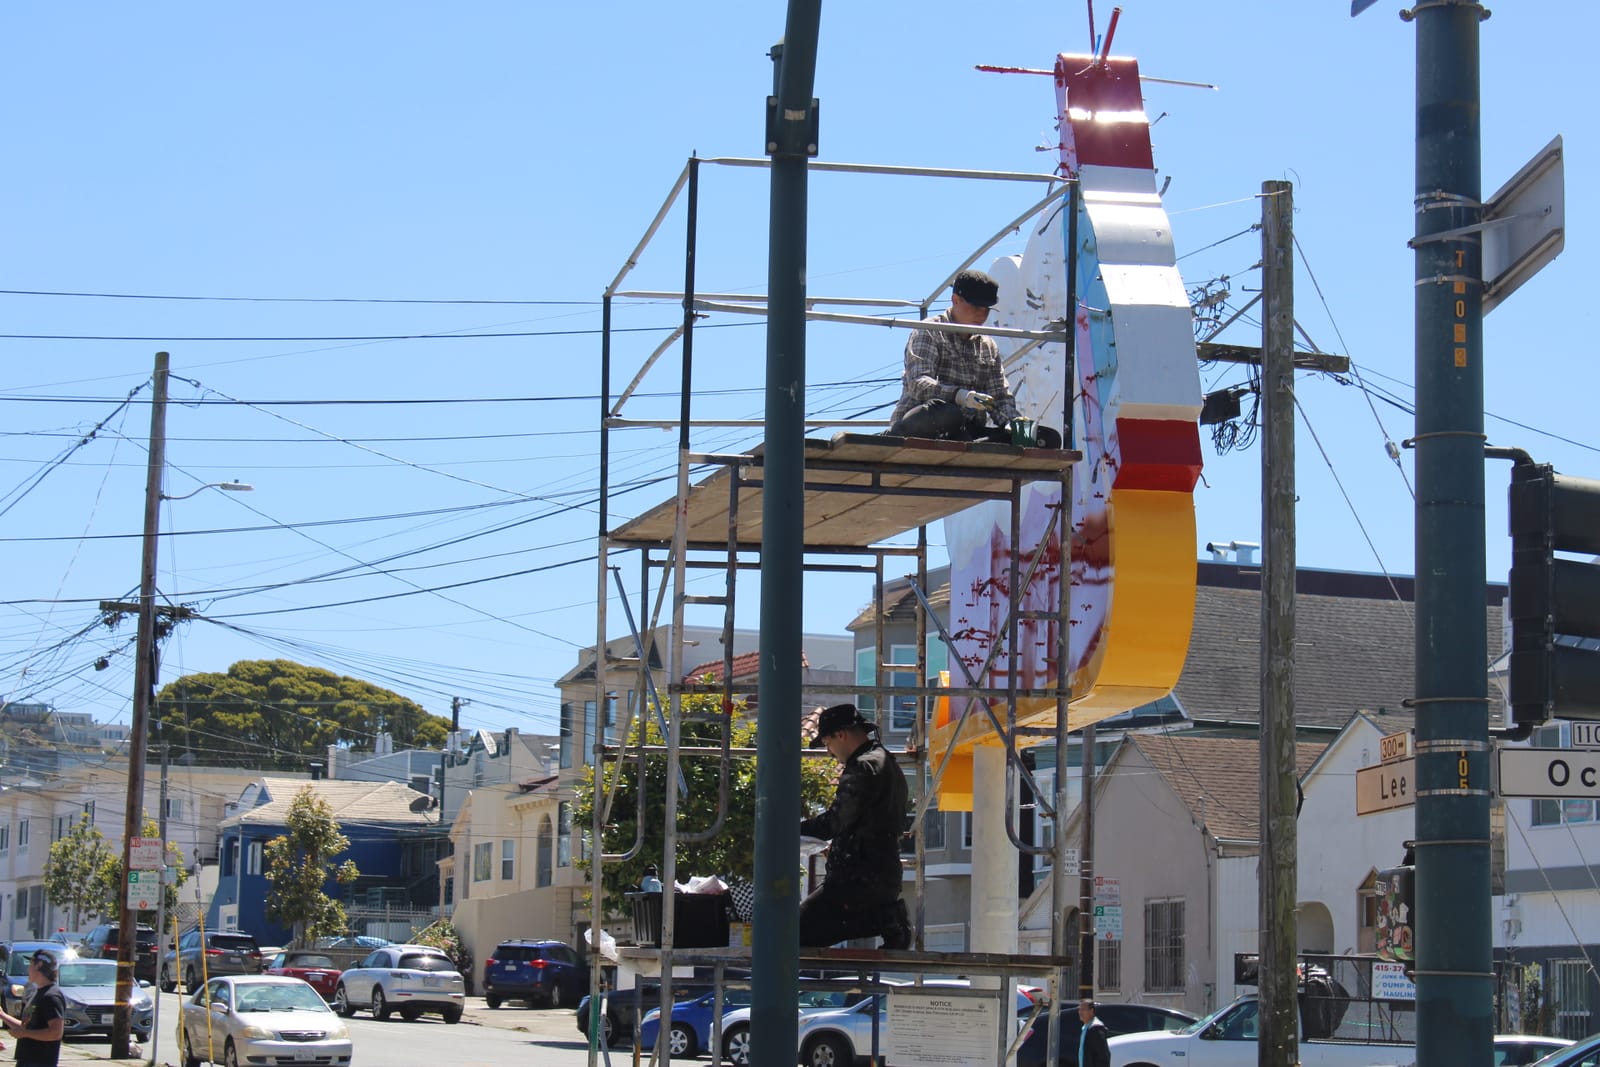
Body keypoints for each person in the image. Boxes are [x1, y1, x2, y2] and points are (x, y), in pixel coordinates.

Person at [889, 269, 1058, 447]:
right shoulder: (929, 331)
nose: (982, 314)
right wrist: (960, 396)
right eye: (976, 306)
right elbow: (918, 384)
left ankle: (974, 445)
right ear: (955, 300)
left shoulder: (987, 345)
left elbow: (1000, 397)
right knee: (948, 414)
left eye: (987, 309)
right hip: (926, 425)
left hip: (967, 433)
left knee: (1045, 438)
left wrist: (1013, 423)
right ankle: (895, 436)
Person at [798, 703, 912, 950]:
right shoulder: (888, 764)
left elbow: (837, 821)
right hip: (879, 874)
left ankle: (887, 920)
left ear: (841, 734)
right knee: (802, 933)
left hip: (856, 879)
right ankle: (888, 919)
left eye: (827, 743)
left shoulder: (862, 767)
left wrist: (792, 830)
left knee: (792, 933)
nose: (829, 752)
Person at [0, 952, 65, 1067]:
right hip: (26, 1060)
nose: (28, 968)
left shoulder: (51, 996)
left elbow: (56, 1033)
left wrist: (25, 1033)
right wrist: (2, 1015)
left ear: (39, 965)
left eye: (30, 964)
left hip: (40, 1062)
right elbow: (26, 1027)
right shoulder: (37, 993)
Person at [1078, 999, 1110, 1067]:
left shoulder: (1096, 1029)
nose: (1080, 1012)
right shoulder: (1086, 1028)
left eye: (1083, 1009)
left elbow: (1103, 1057)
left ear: (1091, 1011)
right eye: (1079, 1009)